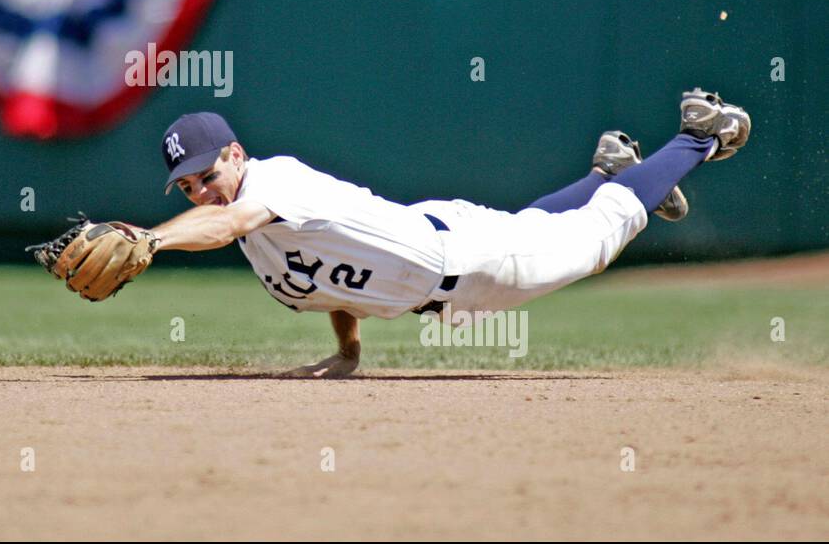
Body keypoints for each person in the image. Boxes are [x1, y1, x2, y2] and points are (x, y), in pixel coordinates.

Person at [140, 93, 750, 378]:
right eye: (187, 187)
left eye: (206, 174)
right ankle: (610, 174)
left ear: (236, 155)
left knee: (593, 241)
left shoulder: (273, 181)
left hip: (465, 263)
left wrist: (152, 241)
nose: (200, 191)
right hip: (442, 246)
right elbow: (329, 277)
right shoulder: (254, 229)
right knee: (535, 228)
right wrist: (349, 353)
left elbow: (221, 225)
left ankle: (700, 135)